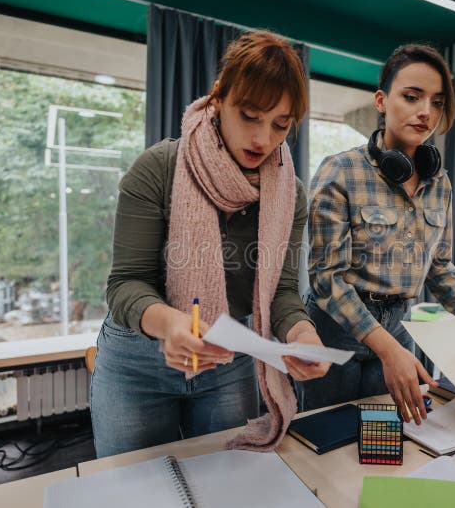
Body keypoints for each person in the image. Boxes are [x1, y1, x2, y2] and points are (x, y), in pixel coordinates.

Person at [91, 30, 329, 458]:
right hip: (139, 361)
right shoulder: (158, 168)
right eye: (250, 116)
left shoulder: (288, 194)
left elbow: (282, 293)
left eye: (280, 125)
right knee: (133, 489)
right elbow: (125, 285)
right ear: (219, 98)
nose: (263, 139)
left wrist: (302, 333)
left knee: (228, 482)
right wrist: (170, 324)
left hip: (228, 358)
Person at [299, 44, 455, 423]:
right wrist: (389, 350)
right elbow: (326, 279)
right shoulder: (339, 171)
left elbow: (440, 269)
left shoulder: (440, 183)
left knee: (390, 442)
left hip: (398, 328)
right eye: (411, 96)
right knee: (330, 442)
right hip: (335, 334)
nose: (426, 112)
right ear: (381, 100)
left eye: (437, 102)